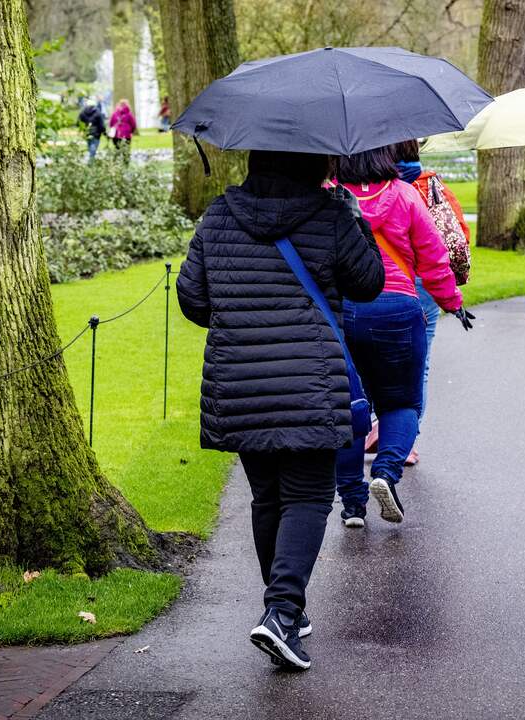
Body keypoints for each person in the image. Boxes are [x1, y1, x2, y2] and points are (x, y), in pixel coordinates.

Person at [176, 151, 385, 671]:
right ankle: (284, 613)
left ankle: (283, 607)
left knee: (268, 495)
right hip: (310, 381)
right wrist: (354, 217)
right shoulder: (331, 214)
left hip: (239, 380)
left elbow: (193, 299)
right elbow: (369, 283)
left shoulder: (219, 215)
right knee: (309, 496)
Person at [334, 146, 467, 529]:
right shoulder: (406, 195)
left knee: (349, 406)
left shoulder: (330, 197)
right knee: (402, 402)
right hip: (398, 307)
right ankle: (386, 471)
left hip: (345, 310)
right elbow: (433, 257)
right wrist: (452, 302)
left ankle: (352, 503)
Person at [388, 138, 473, 463]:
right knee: (417, 364)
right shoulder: (433, 188)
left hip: (383, 280)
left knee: (372, 358)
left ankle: (378, 425)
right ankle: (407, 441)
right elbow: (458, 237)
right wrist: (452, 297)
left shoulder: (372, 190)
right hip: (425, 283)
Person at [108, 99, 137, 164]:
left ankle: (115, 163)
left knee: (117, 149)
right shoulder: (129, 114)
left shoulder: (115, 114)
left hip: (116, 135)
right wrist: (131, 131)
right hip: (126, 135)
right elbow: (133, 125)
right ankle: (126, 164)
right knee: (126, 150)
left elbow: (111, 124)